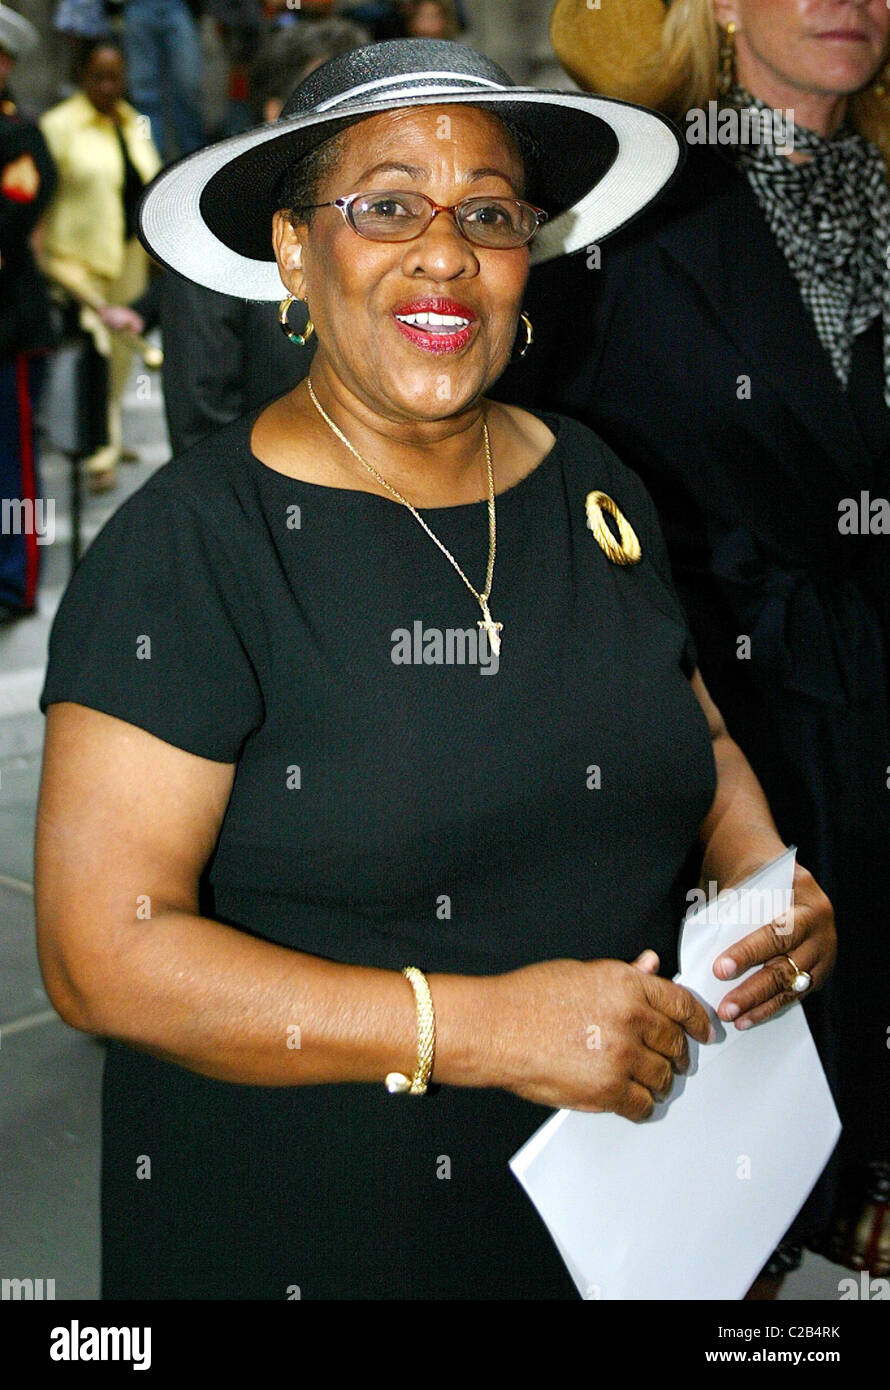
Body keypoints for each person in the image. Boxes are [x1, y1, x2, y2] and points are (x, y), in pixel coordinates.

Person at [35, 38, 835, 1300]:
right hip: (322, 1232)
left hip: (632, 1222)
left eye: (489, 213)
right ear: (294, 251)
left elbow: (695, 734)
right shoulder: (195, 549)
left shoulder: (592, 480)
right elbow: (99, 955)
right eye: (388, 204)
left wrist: (758, 876)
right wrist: (478, 1027)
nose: (446, 251)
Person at [497, 0, 890, 1283]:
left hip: (871, 677)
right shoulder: (621, 204)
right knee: (733, 1066)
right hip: (697, 704)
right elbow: (520, 458)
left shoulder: (882, 191)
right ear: (716, 4)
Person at [160, 16, 368, 454]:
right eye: (337, 105)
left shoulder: (394, 219)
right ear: (276, 113)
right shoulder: (216, 236)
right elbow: (203, 421)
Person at [39, 39, 162, 491]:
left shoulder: (137, 123)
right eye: (99, 77)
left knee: (119, 361)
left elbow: (148, 182)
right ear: (82, 76)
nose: (109, 86)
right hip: (76, 261)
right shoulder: (59, 125)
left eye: (116, 77)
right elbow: (39, 192)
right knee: (99, 349)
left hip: (127, 255)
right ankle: (100, 453)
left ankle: (103, 435)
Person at [0, 3, 56, 625]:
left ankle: (16, 580)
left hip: (9, 329)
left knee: (12, 463)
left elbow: (11, 220)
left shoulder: (18, 135)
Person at [120, 0, 204, 159]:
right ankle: (146, 160)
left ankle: (197, 160)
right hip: (136, 6)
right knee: (142, 97)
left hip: (179, 6)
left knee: (188, 88)